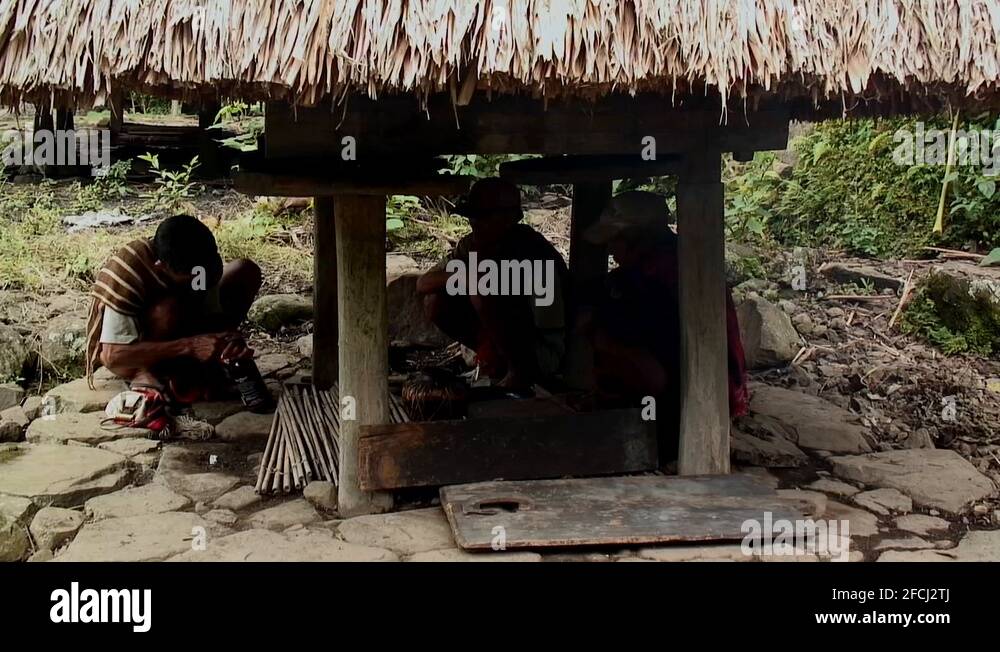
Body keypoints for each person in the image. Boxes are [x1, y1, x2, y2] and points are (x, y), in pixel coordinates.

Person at [582, 191, 748, 460]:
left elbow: (642, 347)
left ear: (637, 238)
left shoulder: (645, 279)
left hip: (693, 392)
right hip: (721, 386)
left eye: (614, 241)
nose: (611, 250)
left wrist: (601, 340)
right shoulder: (683, 256)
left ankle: (650, 424)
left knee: (604, 331)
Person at [84, 214, 263, 438]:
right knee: (168, 309)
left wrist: (227, 342)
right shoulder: (128, 271)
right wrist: (189, 346)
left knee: (244, 271)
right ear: (160, 267)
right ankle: (149, 374)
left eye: (199, 275)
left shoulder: (200, 266)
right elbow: (113, 357)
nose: (196, 282)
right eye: (188, 279)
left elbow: (209, 313)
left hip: (181, 330)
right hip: (136, 350)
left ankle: (187, 369)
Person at [417, 178, 567, 391]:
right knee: (436, 299)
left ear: (509, 219)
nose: (474, 223)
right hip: (498, 341)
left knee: (481, 289)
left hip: (540, 351)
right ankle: (493, 362)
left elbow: (547, 324)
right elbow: (424, 283)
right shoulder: (472, 245)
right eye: (473, 217)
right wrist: (468, 275)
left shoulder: (533, 253)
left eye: (483, 217)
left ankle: (517, 373)